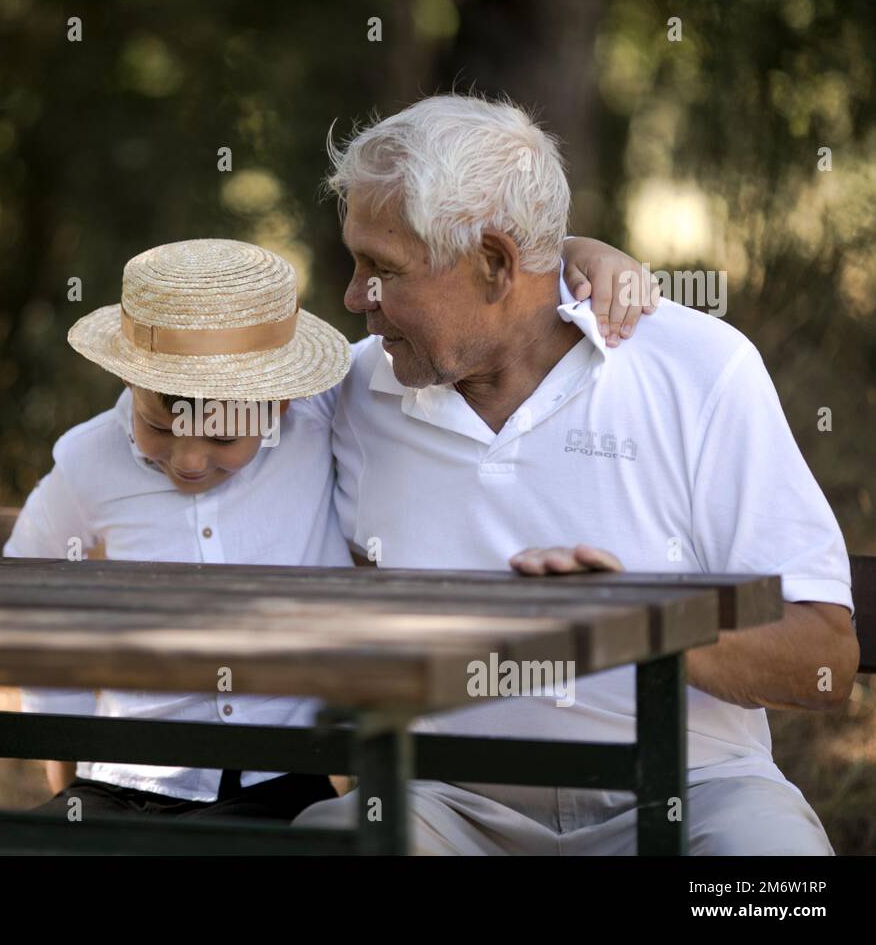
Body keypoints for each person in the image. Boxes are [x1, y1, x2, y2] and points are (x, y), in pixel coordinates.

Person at [291, 93, 857, 853]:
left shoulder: (700, 369)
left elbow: (822, 656)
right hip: (449, 801)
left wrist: (637, 625)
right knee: (333, 845)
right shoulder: (352, 392)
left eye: (383, 269)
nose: (356, 296)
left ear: (494, 263)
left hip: (691, 788)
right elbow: (189, 423)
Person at [6, 233, 653, 821]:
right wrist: (67, 758)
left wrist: (580, 254)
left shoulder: (322, 417)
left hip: (282, 780)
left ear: (283, 397)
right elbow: (23, 594)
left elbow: (497, 273)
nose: (189, 458)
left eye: (226, 434)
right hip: (126, 777)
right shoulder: (89, 462)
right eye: (158, 426)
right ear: (128, 378)